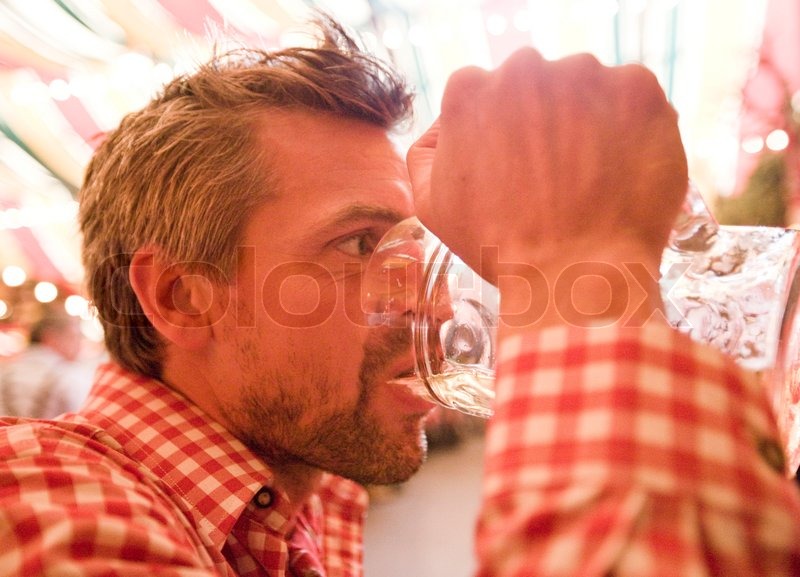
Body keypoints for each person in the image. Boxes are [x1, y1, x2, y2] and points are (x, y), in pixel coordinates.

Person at [0, 15, 799, 576]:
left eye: (416, 248)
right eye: (360, 244)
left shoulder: (298, 513)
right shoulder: (39, 493)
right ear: (181, 296)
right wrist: (575, 267)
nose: (438, 307)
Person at [0, 311, 90, 418]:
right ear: (50, 337)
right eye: (74, 337)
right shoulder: (70, 375)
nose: (79, 345)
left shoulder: (5, 371)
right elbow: (81, 418)